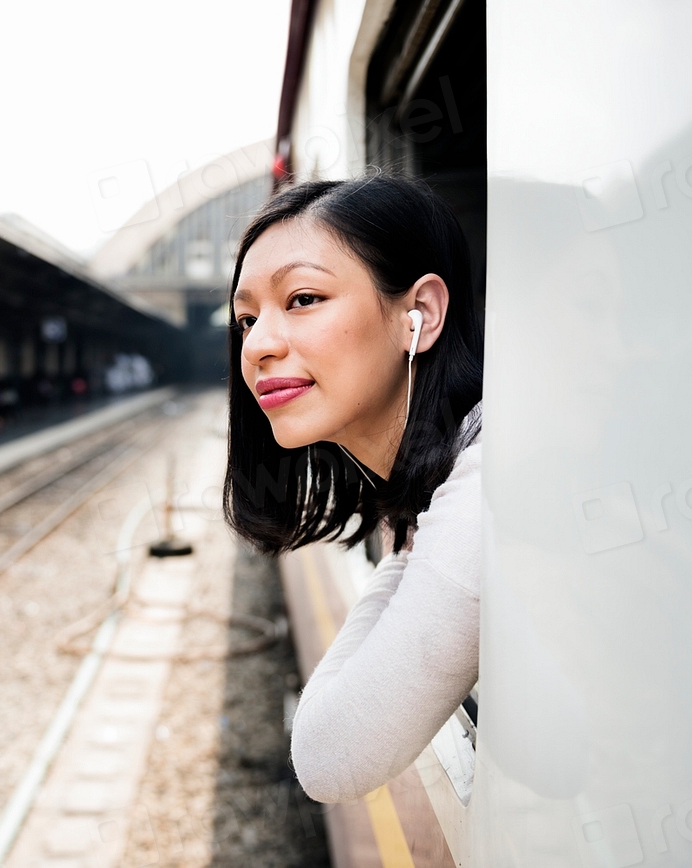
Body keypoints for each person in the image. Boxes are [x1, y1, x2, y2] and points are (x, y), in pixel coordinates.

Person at [222, 175, 483, 803]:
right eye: (247, 319)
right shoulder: (453, 470)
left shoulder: (492, 488)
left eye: (304, 298)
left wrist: (408, 550)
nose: (257, 345)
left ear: (418, 314)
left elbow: (330, 757)